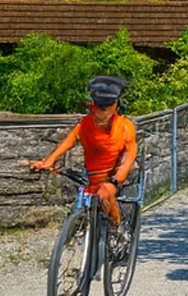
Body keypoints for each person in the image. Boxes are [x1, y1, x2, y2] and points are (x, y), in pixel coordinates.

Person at [30, 76, 138, 226]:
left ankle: (117, 227)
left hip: (117, 175)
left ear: (115, 106)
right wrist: (48, 161)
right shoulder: (86, 123)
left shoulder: (125, 127)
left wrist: (115, 181)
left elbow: (129, 157)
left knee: (105, 192)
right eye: (97, 108)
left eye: (104, 109)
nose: (100, 114)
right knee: (85, 201)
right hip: (93, 176)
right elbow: (70, 140)